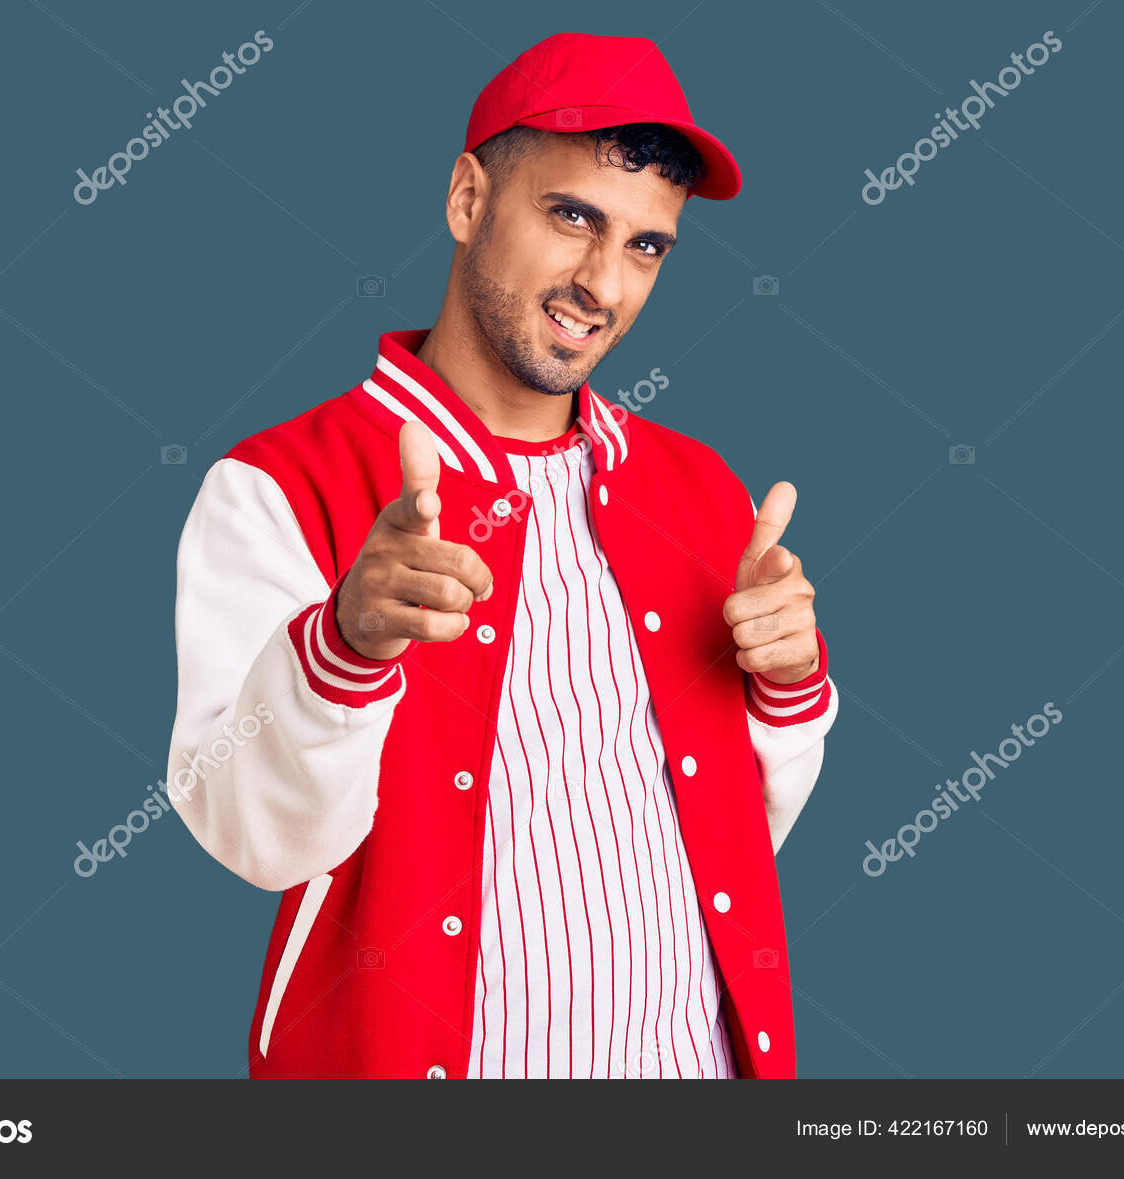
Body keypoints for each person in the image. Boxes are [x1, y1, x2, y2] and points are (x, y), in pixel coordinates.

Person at [165, 30, 837, 1079]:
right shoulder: (279, 486)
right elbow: (248, 833)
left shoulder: (700, 491)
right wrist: (339, 647)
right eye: (570, 216)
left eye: (644, 245)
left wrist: (789, 689)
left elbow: (727, 840)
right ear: (468, 200)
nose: (599, 283)